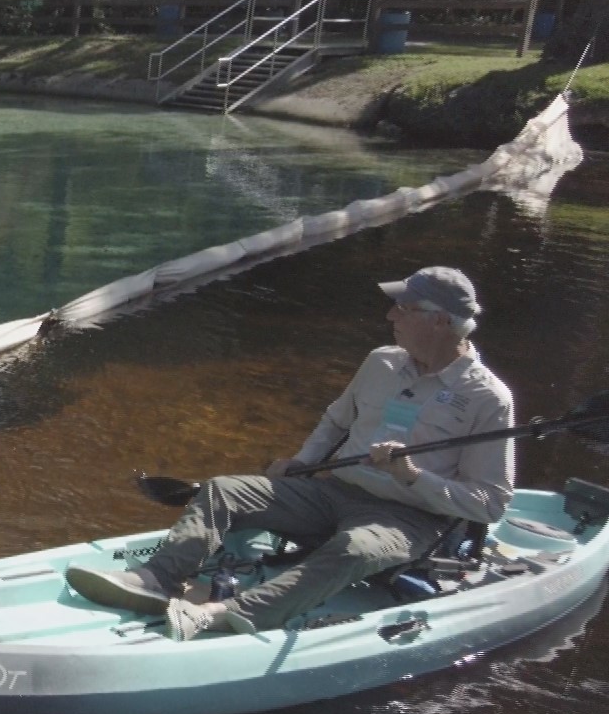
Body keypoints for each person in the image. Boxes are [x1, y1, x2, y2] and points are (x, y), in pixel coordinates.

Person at [65, 266, 515, 641]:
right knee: (225, 491)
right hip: (336, 489)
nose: (390, 314)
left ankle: (230, 612)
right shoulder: (381, 361)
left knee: (355, 547)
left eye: (404, 308)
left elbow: (491, 503)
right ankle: (158, 578)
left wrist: (413, 475)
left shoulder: (488, 398)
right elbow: (337, 420)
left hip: (409, 517)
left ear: (439, 322)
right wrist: (301, 463)